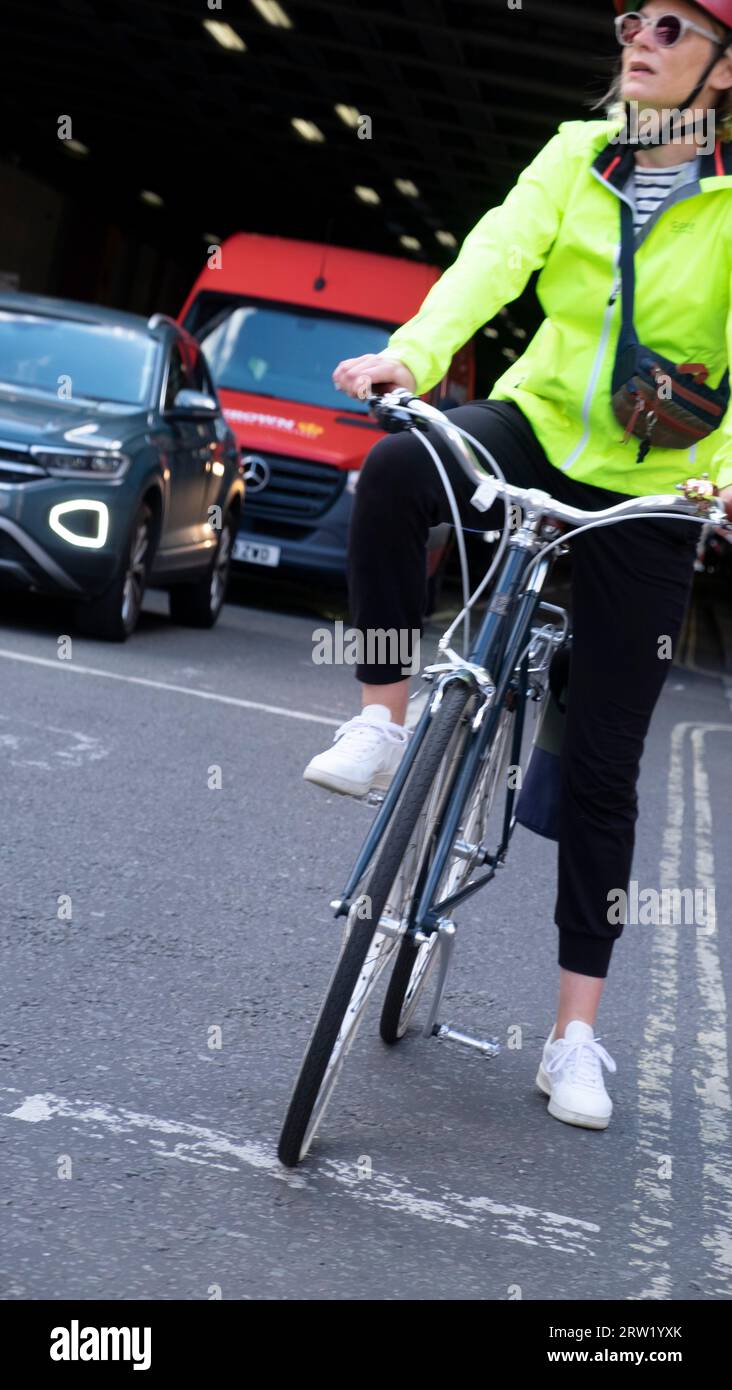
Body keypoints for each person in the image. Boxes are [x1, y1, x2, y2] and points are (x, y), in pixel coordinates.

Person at [303, 0, 732, 1130]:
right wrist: (413, 355)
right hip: (537, 425)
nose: (641, 37)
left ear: (722, 74)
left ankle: (573, 1035)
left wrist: (719, 481)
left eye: (677, 29)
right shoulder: (574, 154)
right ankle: (385, 716)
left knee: (602, 765)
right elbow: (493, 253)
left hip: (657, 484)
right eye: (636, 19)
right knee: (396, 474)